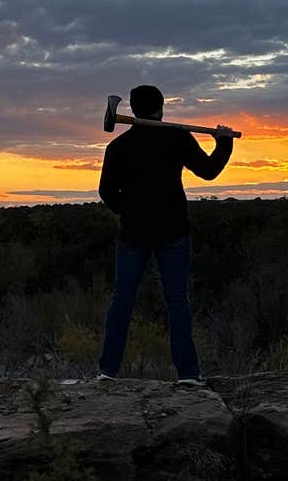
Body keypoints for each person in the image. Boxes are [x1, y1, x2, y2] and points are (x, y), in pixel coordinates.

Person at [96, 83, 234, 385]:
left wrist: (128, 211)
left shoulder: (118, 147)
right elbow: (209, 171)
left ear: (132, 109)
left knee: (122, 301)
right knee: (177, 302)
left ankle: (107, 372)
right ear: (161, 107)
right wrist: (223, 143)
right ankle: (188, 374)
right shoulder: (177, 138)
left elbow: (106, 192)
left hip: (133, 235)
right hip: (173, 233)